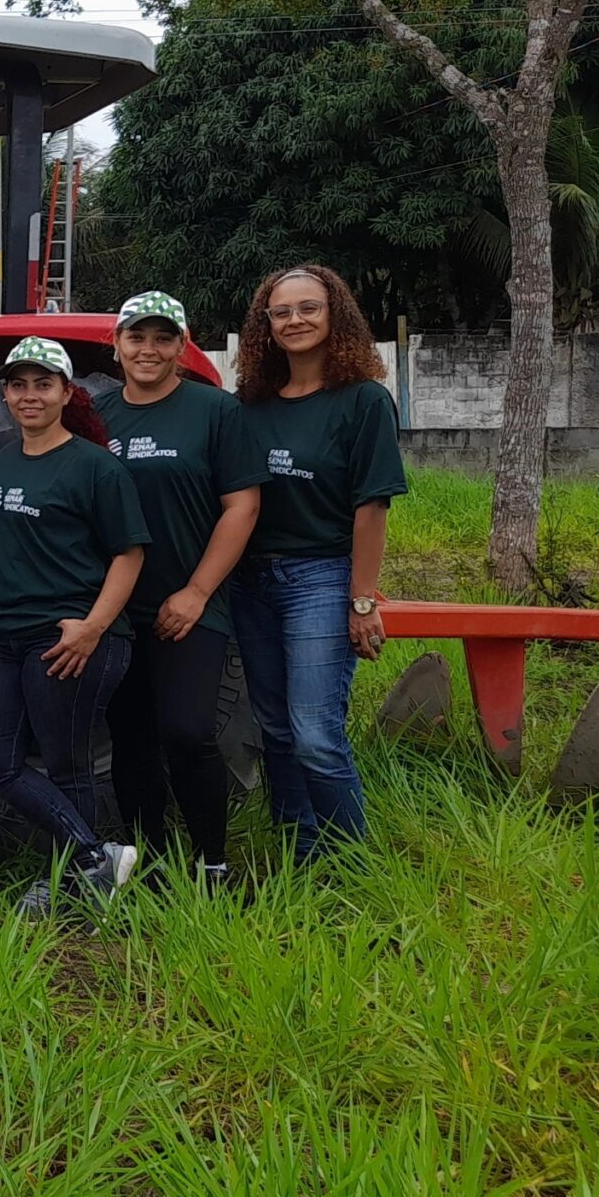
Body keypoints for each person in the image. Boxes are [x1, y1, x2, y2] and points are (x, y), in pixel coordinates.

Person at [0, 336, 152, 916]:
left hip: (67, 635)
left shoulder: (94, 466)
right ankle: (95, 858)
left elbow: (129, 554)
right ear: (5, 394)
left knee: (68, 762)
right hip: (7, 637)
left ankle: (76, 883)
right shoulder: (1, 462)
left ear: (66, 393)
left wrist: (94, 628)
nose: (29, 395)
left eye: (42, 384)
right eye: (18, 385)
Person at [231, 265, 406, 856]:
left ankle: (352, 862)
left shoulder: (363, 403)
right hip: (251, 581)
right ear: (266, 325)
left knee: (315, 734)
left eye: (308, 308)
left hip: (320, 579)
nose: (295, 321)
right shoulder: (249, 407)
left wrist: (362, 600)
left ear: (336, 315)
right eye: (281, 312)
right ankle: (300, 854)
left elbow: (372, 506)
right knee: (276, 731)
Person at [96, 292, 265, 888]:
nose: (149, 349)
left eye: (163, 338)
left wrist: (196, 591)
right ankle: (152, 861)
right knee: (131, 737)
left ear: (181, 346)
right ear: (115, 345)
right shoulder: (94, 415)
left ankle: (213, 862)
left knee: (188, 730)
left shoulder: (215, 411)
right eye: (137, 337)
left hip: (192, 603)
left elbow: (242, 506)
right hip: (116, 610)